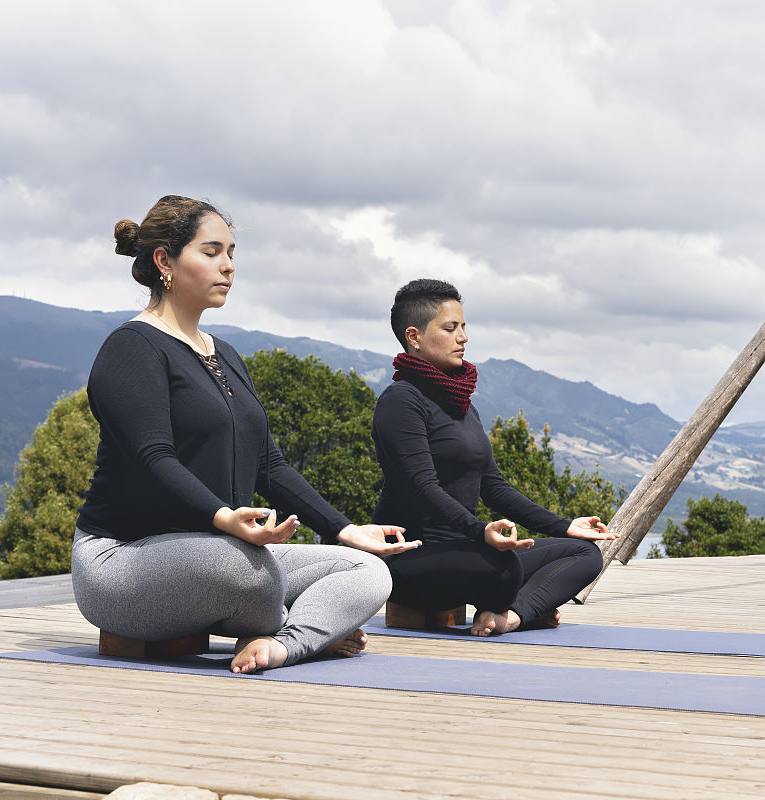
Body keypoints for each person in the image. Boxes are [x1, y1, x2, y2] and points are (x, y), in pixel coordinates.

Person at [72, 195, 420, 674]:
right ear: (164, 261)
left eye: (231, 253)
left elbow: (268, 465)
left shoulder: (226, 354)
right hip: (124, 561)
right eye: (212, 252)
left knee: (367, 570)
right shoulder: (132, 347)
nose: (228, 266)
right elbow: (154, 457)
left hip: (226, 548)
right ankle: (311, 625)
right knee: (241, 568)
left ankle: (286, 643)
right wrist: (224, 517)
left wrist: (345, 529)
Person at [371, 278, 617, 636]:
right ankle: (529, 606)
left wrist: (563, 525)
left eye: (464, 327)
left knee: (585, 553)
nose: (463, 338)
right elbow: (423, 486)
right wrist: (480, 532)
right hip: (412, 556)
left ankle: (512, 615)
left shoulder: (462, 405)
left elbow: (494, 487)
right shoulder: (400, 401)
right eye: (450, 328)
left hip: (468, 549)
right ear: (414, 337)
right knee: (502, 569)